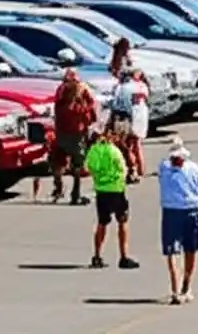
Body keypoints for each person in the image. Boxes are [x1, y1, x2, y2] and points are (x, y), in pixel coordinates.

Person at [158, 138, 198, 305]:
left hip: (190, 210)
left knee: (190, 249)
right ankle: (175, 288)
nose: (176, 161)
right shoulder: (165, 168)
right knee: (171, 251)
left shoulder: (194, 170)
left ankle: (186, 284)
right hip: (171, 210)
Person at [84, 128, 139, 270]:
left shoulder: (94, 151)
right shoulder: (114, 151)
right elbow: (123, 168)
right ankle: (124, 256)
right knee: (122, 221)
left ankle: (97, 255)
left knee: (102, 223)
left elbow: (88, 167)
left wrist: (99, 177)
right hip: (116, 189)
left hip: (101, 190)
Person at [45, 68, 97, 205]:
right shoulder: (78, 92)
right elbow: (89, 108)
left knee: (58, 161)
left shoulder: (61, 92)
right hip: (76, 133)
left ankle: (59, 188)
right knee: (77, 165)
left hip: (62, 132)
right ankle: (75, 194)